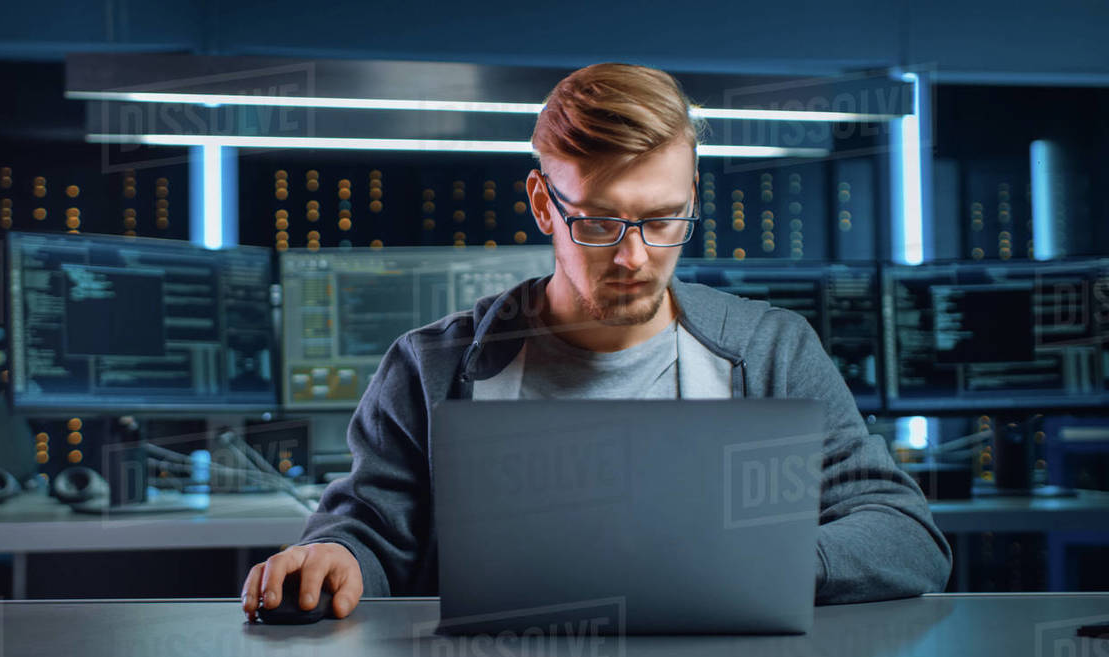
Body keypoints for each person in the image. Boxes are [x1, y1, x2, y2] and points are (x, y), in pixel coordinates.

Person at [241, 62, 952, 622]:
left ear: (693, 200)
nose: (633, 257)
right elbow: (367, 531)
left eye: (664, 219)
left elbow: (906, 536)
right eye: (599, 223)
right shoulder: (433, 369)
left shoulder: (772, 352)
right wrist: (335, 556)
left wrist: (766, 560)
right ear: (543, 202)